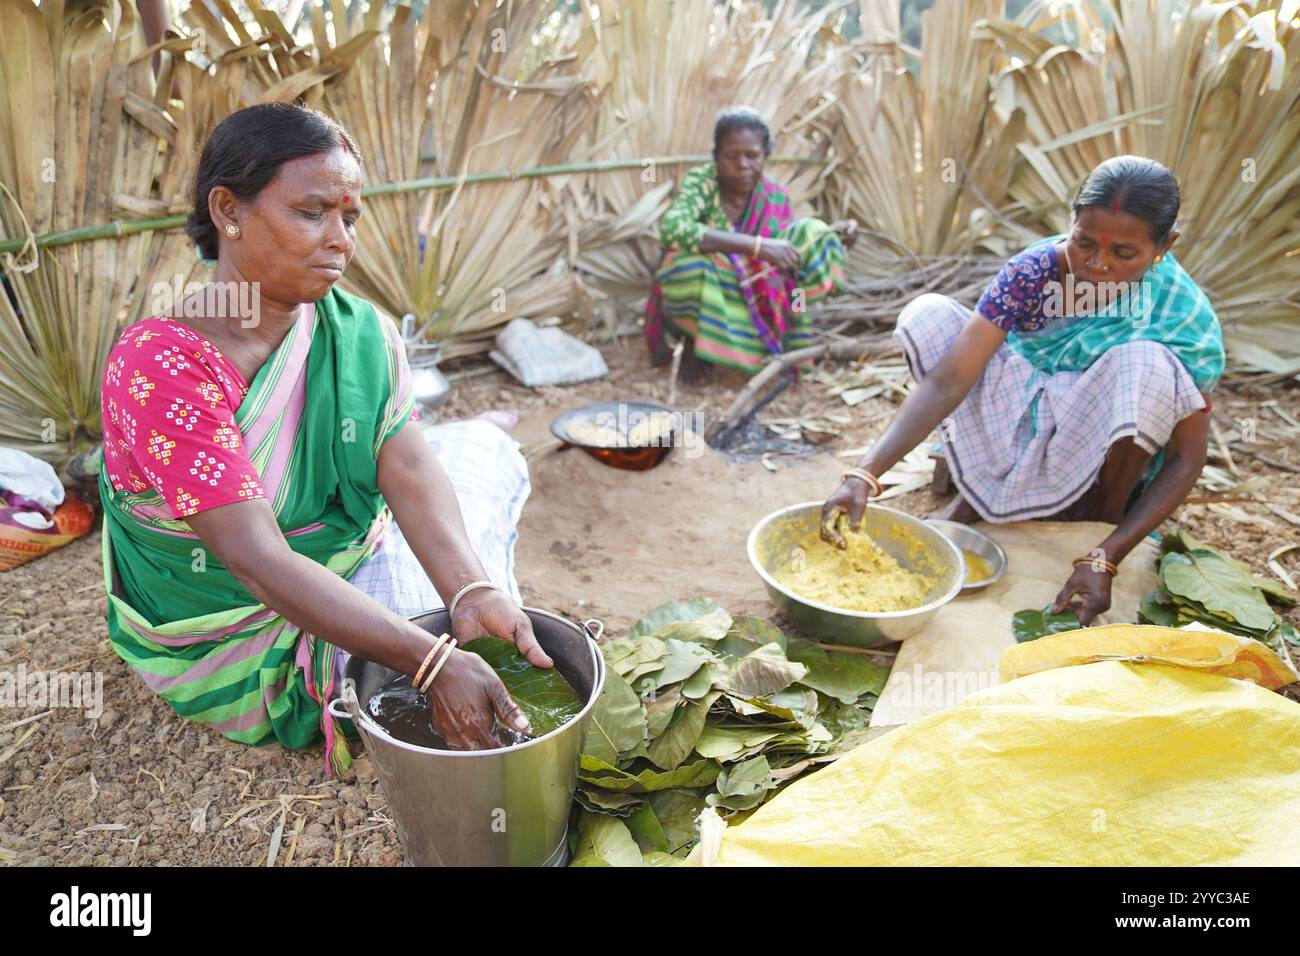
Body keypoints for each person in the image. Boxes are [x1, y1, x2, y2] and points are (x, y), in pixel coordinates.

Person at [99, 102, 547, 774]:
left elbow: (410, 470)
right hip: (251, 622)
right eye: (312, 212)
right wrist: (429, 658)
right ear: (228, 211)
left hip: (344, 555)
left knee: (480, 458)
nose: (341, 239)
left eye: (349, 217)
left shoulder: (359, 330)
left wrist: (470, 592)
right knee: (426, 657)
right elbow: (255, 559)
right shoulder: (163, 366)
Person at [820, 155, 1224, 626]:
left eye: (1123, 254)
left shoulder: (1181, 313)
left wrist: (1108, 556)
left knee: (1148, 363)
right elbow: (951, 377)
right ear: (1070, 224)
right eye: (1084, 243)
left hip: (1094, 434)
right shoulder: (1032, 274)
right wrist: (864, 474)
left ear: (1163, 246)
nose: (1098, 264)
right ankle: (981, 483)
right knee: (930, 315)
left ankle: (1098, 518)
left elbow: (1187, 458)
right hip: (1015, 409)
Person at [645, 106, 858, 382]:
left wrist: (831, 237)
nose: (742, 165)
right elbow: (673, 229)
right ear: (716, 157)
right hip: (712, 286)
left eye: (752, 156)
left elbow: (790, 262)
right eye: (732, 156)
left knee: (812, 231)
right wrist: (756, 247)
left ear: (765, 156)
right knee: (686, 266)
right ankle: (697, 348)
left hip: (760, 294)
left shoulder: (775, 198)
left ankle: (779, 345)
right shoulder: (702, 184)